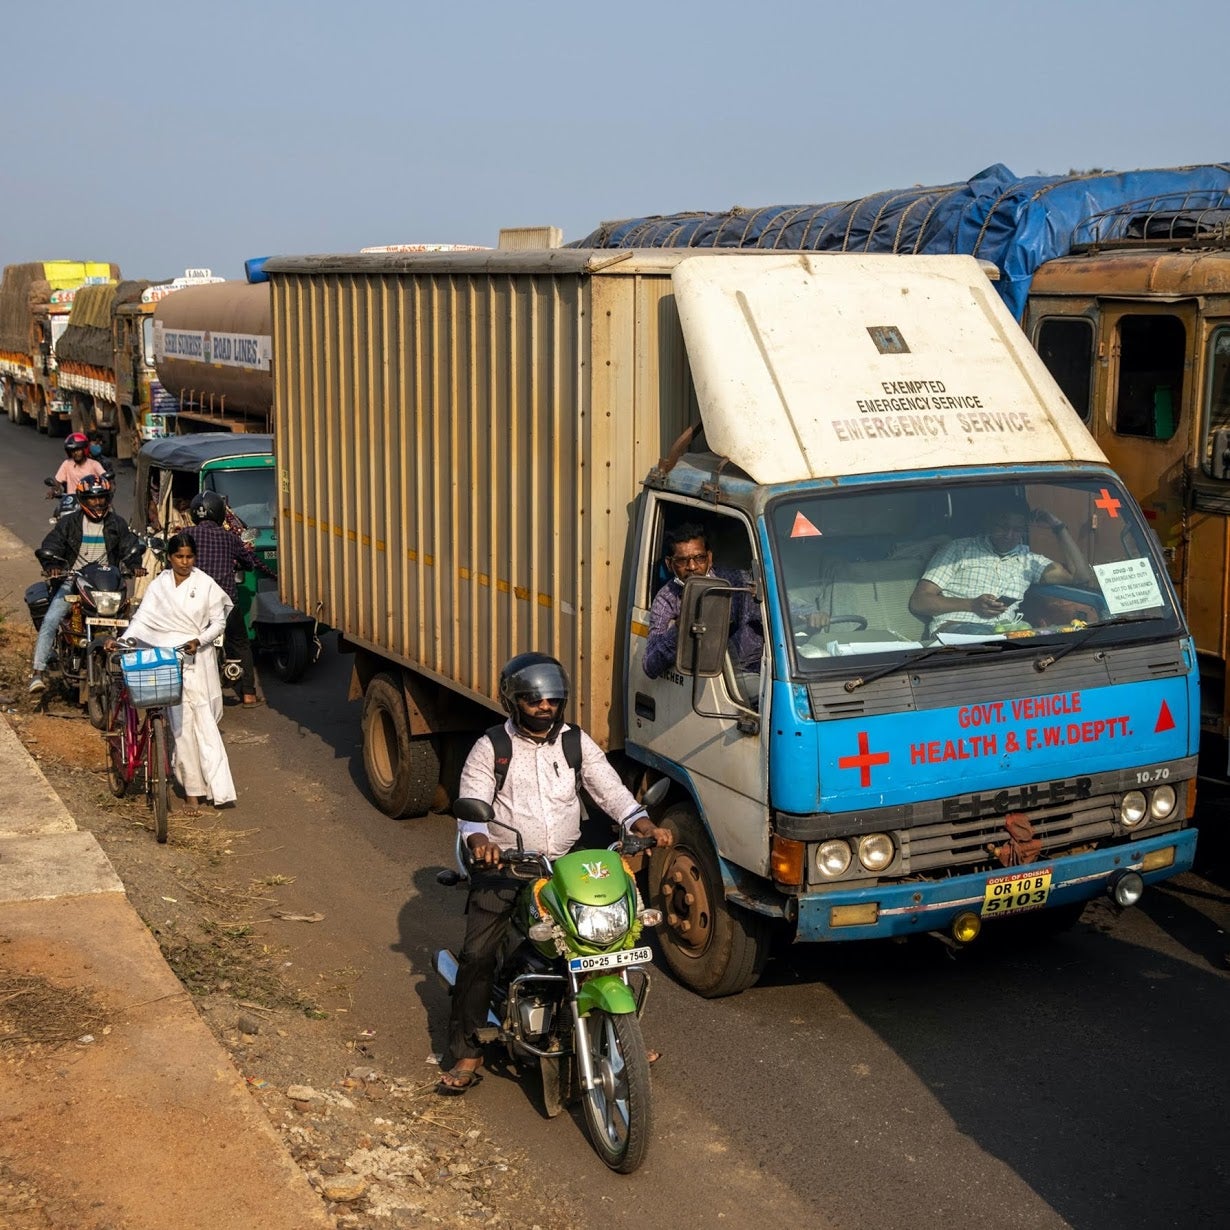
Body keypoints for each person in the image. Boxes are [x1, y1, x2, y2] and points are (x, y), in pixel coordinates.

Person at [437, 651, 673, 1096]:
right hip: (507, 865)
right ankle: (467, 1049)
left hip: (563, 863)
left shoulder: (575, 743)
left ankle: (618, 1033)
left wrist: (642, 824)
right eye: (534, 701)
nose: (545, 708)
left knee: (607, 937)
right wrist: (480, 843)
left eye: (552, 700)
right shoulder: (492, 747)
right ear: (514, 702)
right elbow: (470, 808)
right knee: (478, 955)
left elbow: (612, 792)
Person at [116, 533, 236, 811]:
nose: (185, 562)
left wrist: (200, 640)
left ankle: (217, 787)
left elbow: (218, 623)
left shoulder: (206, 584)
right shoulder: (159, 586)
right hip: (168, 661)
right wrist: (124, 641)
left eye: (190, 557)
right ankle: (192, 790)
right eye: (179, 557)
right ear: (169, 558)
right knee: (180, 727)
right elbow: (143, 619)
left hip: (199, 660)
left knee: (206, 724)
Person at [908, 499, 1096, 637]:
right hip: (956, 630)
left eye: (1017, 530)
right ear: (989, 523)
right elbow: (919, 601)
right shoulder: (958, 549)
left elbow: (1080, 576)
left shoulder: (1028, 560)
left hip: (1007, 633)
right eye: (1002, 527)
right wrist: (972, 605)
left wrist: (1058, 527)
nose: (1009, 535)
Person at [30, 475, 145, 694]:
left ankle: (137, 675)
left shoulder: (116, 523)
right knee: (52, 619)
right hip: (73, 582)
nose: (98, 503)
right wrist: (52, 564)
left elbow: (130, 546)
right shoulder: (69, 523)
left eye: (102, 498)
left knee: (133, 624)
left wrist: (135, 564)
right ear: (83, 499)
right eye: (93, 499)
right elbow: (51, 545)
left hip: (107, 585)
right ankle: (38, 672)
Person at [642, 522, 768, 679]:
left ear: (709, 558)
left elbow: (773, 616)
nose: (692, 566)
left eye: (699, 558)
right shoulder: (666, 599)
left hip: (758, 671)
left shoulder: (735, 580)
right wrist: (680, 628)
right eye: (682, 561)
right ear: (669, 564)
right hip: (715, 682)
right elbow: (650, 666)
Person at [186, 490, 274, 707]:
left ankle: (189, 693)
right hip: (225, 603)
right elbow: (250, 562)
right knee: (240, 643)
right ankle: (249, 694)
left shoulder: (186, 535)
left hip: (195, 602)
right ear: (219, 514)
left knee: (186, 642)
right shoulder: (230, 538)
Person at [50, 432, 105, 496]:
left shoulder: (94, 464)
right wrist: (54, 490)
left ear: (84, 449)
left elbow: (105, 479)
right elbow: (58, 482)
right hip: (72, 501)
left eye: (78, 450)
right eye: (73, 451)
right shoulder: (67, 464)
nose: (75, 453)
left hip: (90, 500)